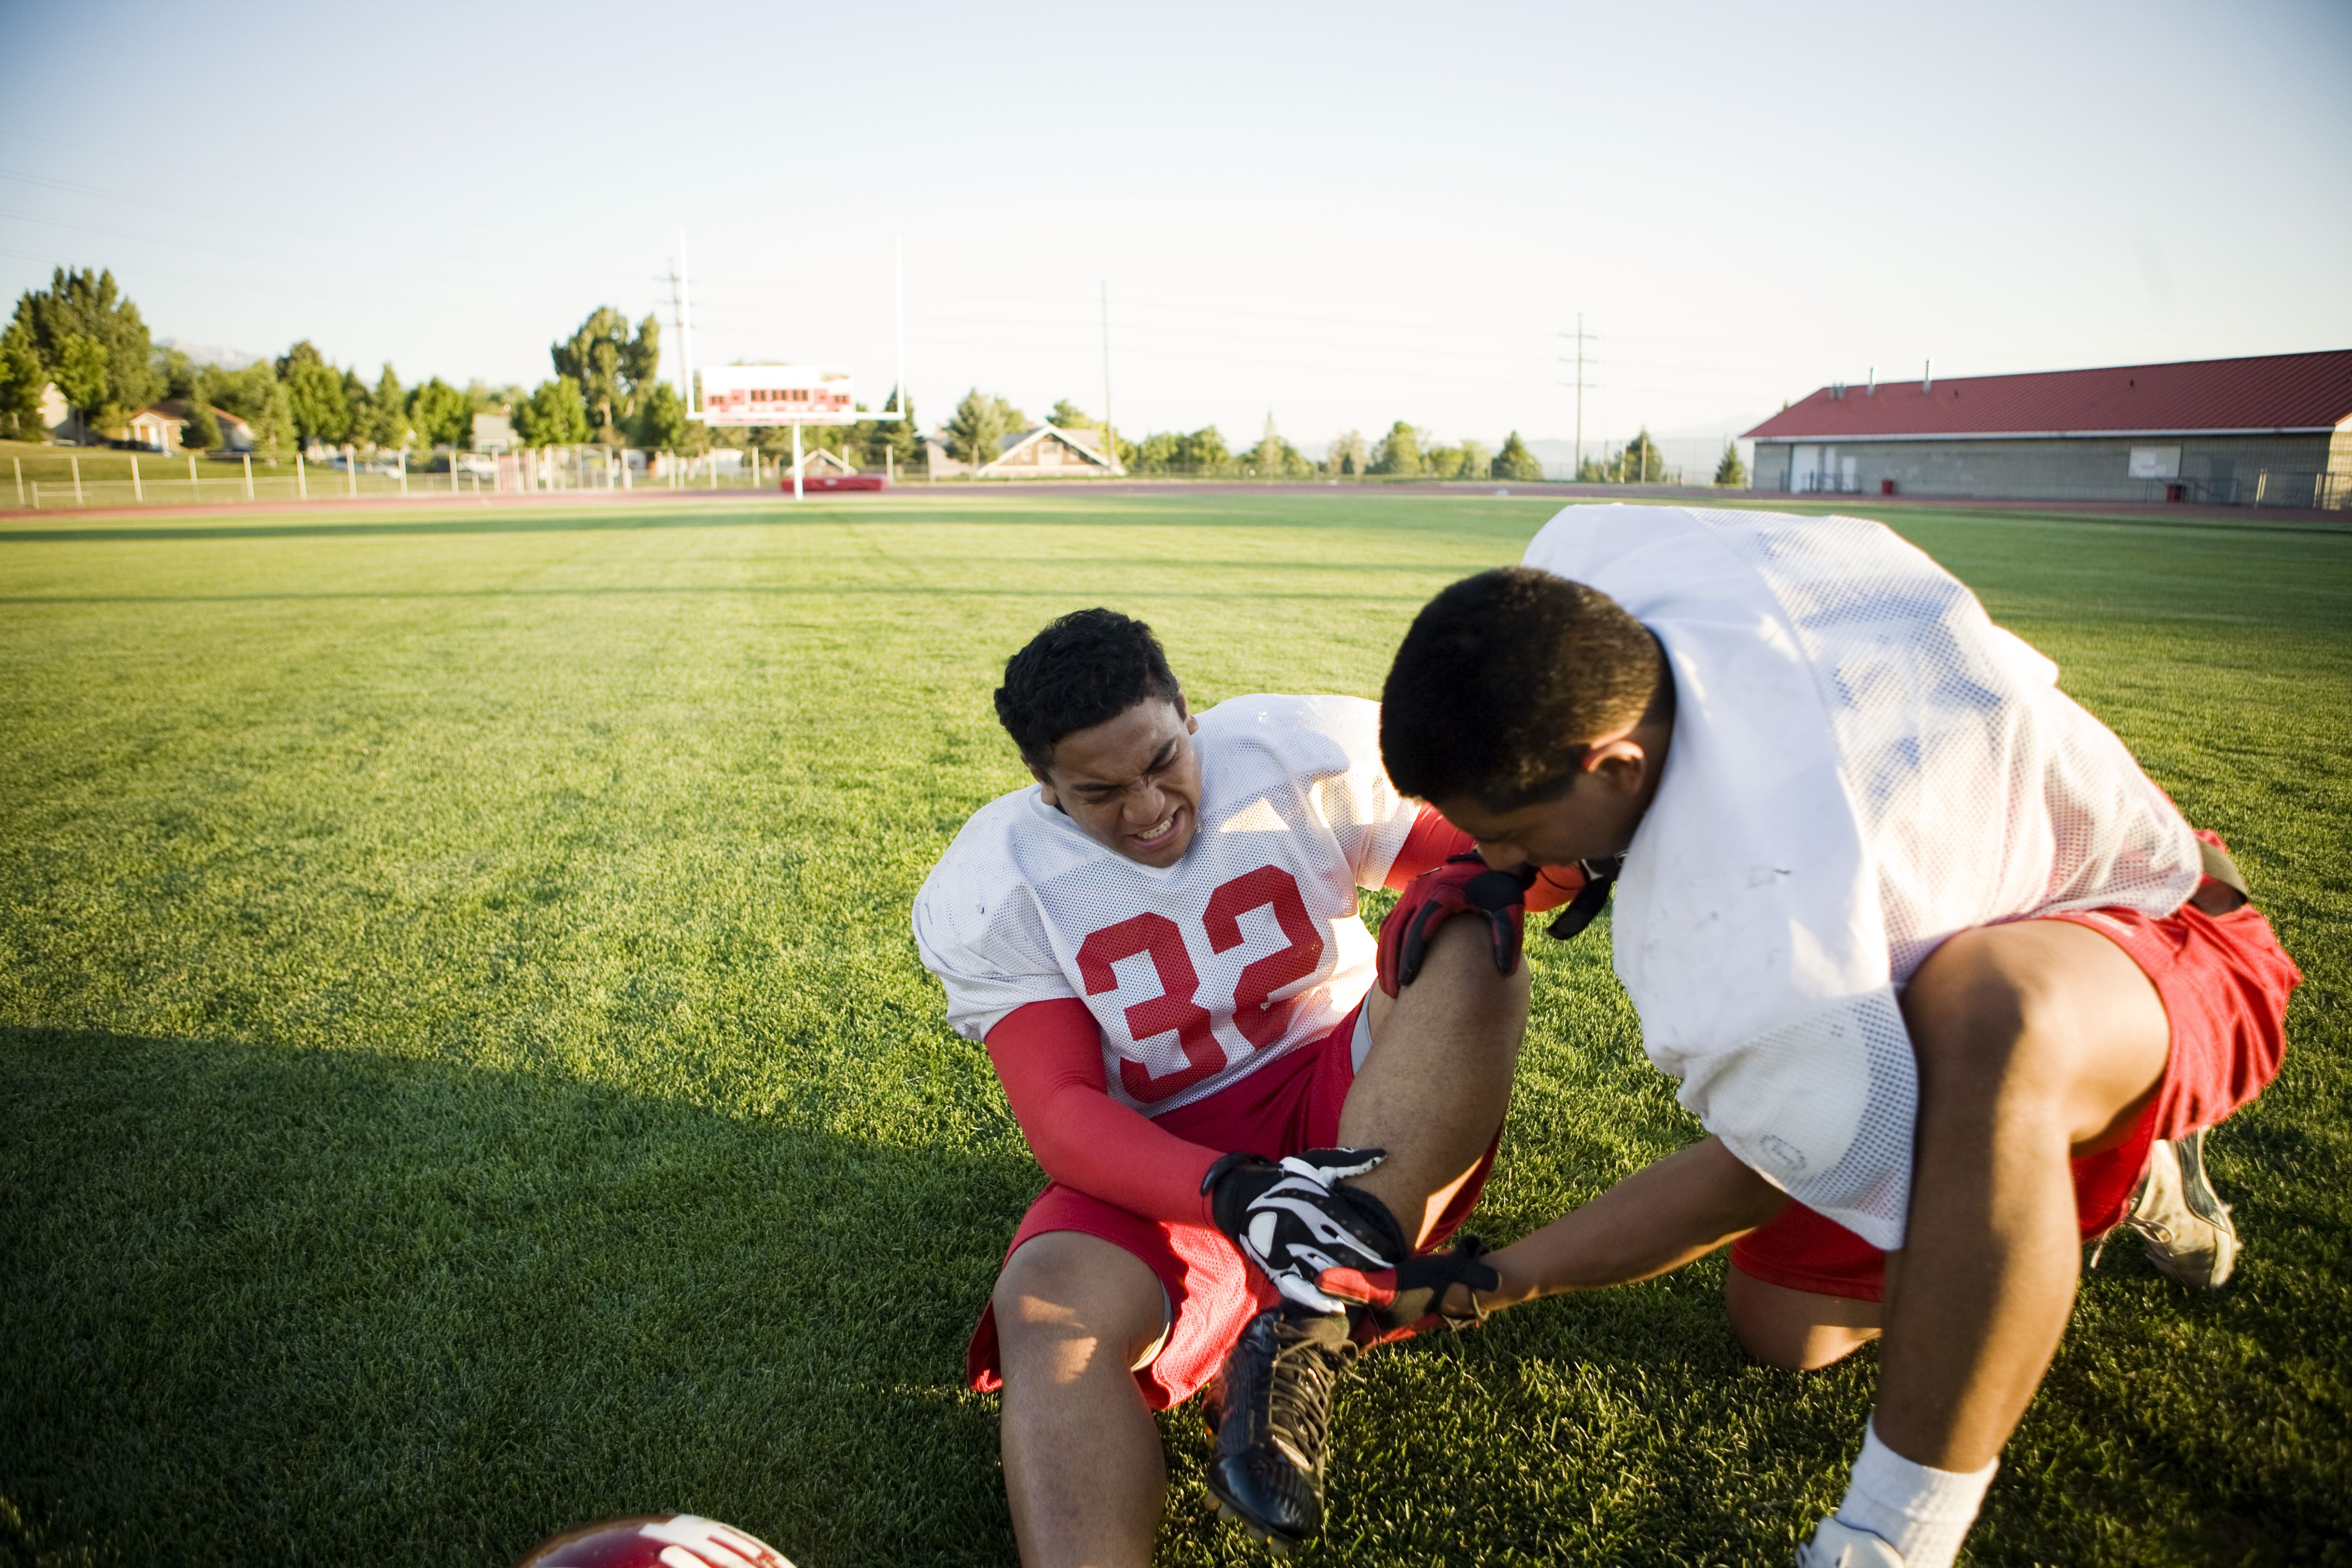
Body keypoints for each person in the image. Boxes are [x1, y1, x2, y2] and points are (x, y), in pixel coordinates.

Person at [1346, 505, 2301, 1568]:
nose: (1498, 857)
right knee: (1782, 1331)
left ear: (1616, 765)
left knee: (1989, 1013)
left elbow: (1746, 1175)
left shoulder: (1763, 927)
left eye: (1515, 832)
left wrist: (1510, 1276)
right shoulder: (1597, 571)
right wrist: (1505, 1277)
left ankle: (1888, 1540)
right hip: (1938, 895)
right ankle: (2080, 1156)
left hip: (2153, 924)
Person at [911, 608, 1577, 1566]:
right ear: (1042, 786)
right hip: (1172, 1148)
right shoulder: (999, 880)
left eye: (1160, 763)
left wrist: (1552, 857)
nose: (1146, 810)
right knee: (1048, 1308)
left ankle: (1310, 1305)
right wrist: (1226, 1188)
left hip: (1350, 1090)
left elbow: (1496, 867)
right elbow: (1063, 1115)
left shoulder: (1286, 754)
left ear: (1188, 712)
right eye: (1100, 791)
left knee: (1469, 928)